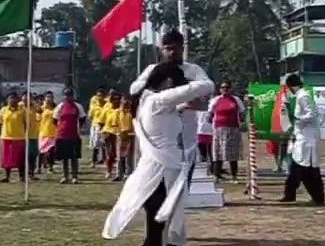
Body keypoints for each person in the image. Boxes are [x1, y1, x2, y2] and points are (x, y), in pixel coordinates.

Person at [103, 58, 214, 246]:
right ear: (166, 83)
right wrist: (198, 81)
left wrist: (188, 105)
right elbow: (204, 86)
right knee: (155, 236)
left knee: (175, 234)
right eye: (176, 84)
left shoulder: (157, 104)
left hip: (172, 175)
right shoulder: (154, 100)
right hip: (156, 178)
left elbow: (184, 104)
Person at [128, 30, 211, 171]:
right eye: (168, 49)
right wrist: (157, 81)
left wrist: (189, 101)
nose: (172, 53)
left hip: (186, 133)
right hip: (159, 135)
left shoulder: (193, 70)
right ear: (162, 50)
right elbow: (134, 90)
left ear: (182, 48)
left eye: (176, 48)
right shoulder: (153, 69)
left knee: (184, 179)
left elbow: (206, 97)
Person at [278, 74, 325, 205]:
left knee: (306, 171)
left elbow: (313, 114)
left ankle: (316, 197)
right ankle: (291, 194)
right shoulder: (298, 96)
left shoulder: (303, 96)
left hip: (307, 140)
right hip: (302, 138)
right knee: (298, 169)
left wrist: (297, 119)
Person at [206, 81, 245, 180]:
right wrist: (210, 119)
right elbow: (209, 114)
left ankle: (234, 176)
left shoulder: (236, 100)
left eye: (227, 87)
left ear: (231, 88)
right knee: (218, 154)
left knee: (232, 155)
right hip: (219, 129)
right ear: (220, 89)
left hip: (233, 129)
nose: (225, 89)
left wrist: (243, 122)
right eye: (223, 87)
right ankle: (217, 175)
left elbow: (242, 113)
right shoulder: (216, 100)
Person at [54, 87, 87, 183]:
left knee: (74, 157)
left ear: (73, 96)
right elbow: (54, 119)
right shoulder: (60, 106)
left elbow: (82, 118)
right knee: (64, 158)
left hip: (74, 136)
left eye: (70, 95)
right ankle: (65, 176)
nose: (68, 97)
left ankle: (75, 176)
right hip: (62, 135)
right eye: (66, 95)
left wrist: (77, 128)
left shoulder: (78, 106)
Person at [0, 91, 26, 182]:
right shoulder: (3, 110)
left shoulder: (22, 111)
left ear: (18, 100)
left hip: (19, 138)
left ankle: (22, 177)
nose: (12, 100)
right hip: (6, 138)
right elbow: (0, 123)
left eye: (14, 98)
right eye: (10, 98)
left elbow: (26, 124)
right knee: (7, 158)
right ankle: (7, 176)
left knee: (20, 158)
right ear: (7, 100)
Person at [100, 92, 121, 180]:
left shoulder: (121, 110)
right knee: (110, 153)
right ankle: (108, 171)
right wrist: (103, 132)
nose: (117, 101)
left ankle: (119, 171)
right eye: (115, 100)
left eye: (118, 100)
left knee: (118, 154)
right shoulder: (107, 109)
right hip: (108, 132)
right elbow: (101, 121)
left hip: (118, 133)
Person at [38, 93, 59, 173]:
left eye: (51, 97)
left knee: (51, 151)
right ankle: (39, 167)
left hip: (53, 133)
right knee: (41, 151)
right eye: (47, 97)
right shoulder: (41, 108)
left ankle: (51, 167)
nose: (49, 99)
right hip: (43, 132)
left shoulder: (56, 108)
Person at [88, 86, 108, 166]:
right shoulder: (94, 104)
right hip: (96, 125)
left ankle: (104, 159)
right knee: (95, 143)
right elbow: (90, 115)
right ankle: (94, 160)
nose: (99, 97)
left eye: (101, 96)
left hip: (105, 126)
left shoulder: (107, 104)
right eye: (98, 95)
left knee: (104, 144)